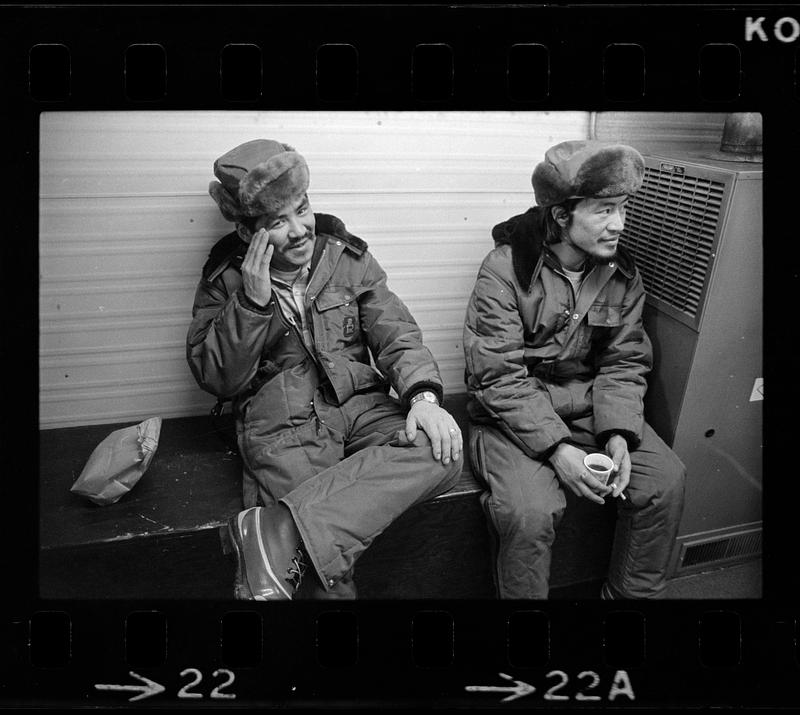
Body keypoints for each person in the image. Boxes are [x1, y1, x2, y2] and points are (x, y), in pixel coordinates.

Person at [187, 139, 463, 600]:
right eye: (278, 222)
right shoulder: (225, 280)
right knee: (323, 576)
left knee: (441, 451)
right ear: (246, 232)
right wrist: (251, 305)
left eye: (303, 209)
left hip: (360, 403)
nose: (299, 230)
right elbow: (217, 378)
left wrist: (423, 398)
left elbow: (396, 333)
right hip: (283, 425)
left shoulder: (345, 257)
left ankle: (276, 525)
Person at [462, 140, 686, 599]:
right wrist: (558, 449)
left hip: (587, 401)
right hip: (512, 412)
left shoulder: (622, 273)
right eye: (604, 210)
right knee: (530, 511)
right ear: (562, 215)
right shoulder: (505, 269)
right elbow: (497, 377)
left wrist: (619, 431)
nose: (618, 224)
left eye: (623, 208)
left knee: (665, 481)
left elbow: (625, 361)